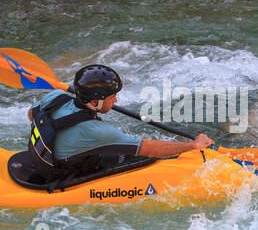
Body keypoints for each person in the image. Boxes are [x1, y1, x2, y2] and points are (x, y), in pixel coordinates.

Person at [27, 64, 213, 176]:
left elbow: (31, 115)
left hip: (45, 158)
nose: (116, 101)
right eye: (112, 97)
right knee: (137, 155)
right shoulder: (96, 132)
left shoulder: (56, 96)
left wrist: (65, 138)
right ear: (94, 101)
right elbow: (148, 149)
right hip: (62, 171)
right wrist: (192, 146)